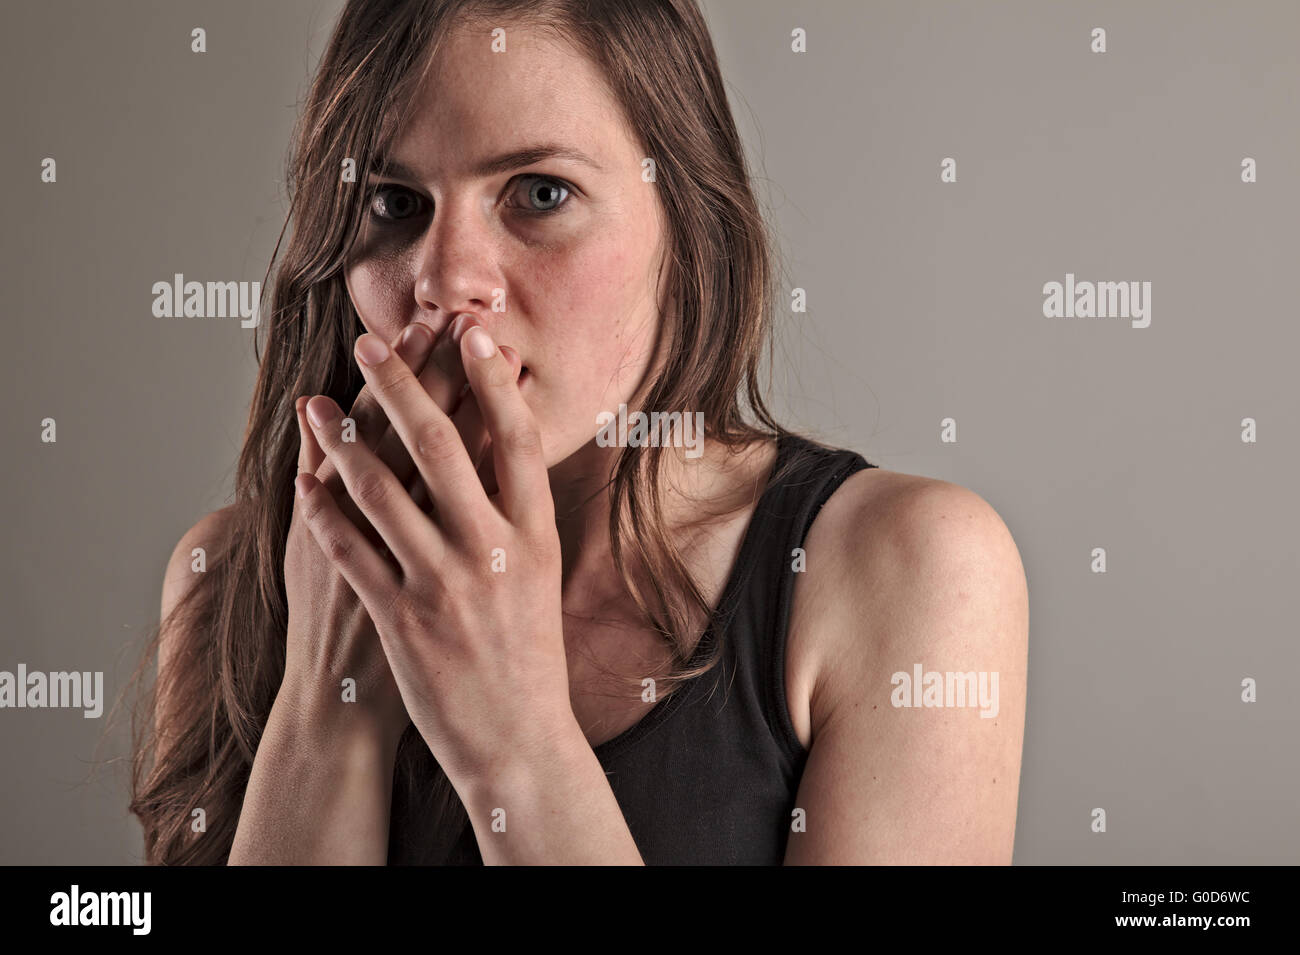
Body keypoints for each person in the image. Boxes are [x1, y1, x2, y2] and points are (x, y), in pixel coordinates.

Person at [130, 0, 1028, 865]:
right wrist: (326, 709)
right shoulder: (224, 581)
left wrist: (514, 744)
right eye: (396, 204)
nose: (446, 282)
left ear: (687, 226)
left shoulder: (907, 568)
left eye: (540, 193)